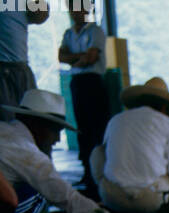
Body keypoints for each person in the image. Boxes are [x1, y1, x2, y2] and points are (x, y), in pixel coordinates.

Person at [0, 89, 160, 213]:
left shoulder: (5, 132)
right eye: (55, 130)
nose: (57, 140)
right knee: (37, 195)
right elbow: (69, 199)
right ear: (37, 124)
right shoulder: (25, 152)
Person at [92, 77, 169, 213]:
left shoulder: (116, 120)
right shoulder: (167, 123)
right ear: (165, 107)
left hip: (112, 196)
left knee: (98, 152)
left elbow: (100, 156)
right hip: (150, 199)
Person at [59, 2, 110, 196]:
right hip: (78, 83)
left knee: (99, 128)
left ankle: (102, 173)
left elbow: (91, 58)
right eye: (73, 7)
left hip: (93, 82)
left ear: (86, 9)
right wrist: (79, 58)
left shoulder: (95, 31)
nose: (76, 11)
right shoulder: (68, 33)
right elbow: (61, 57)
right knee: (83, 129)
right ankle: (88, 174)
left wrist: (74, 58)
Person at [0, 0, 48, 124]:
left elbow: (41, 16)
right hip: (2, 68)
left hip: (21, 68)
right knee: (6, 126)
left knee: (33, 122)